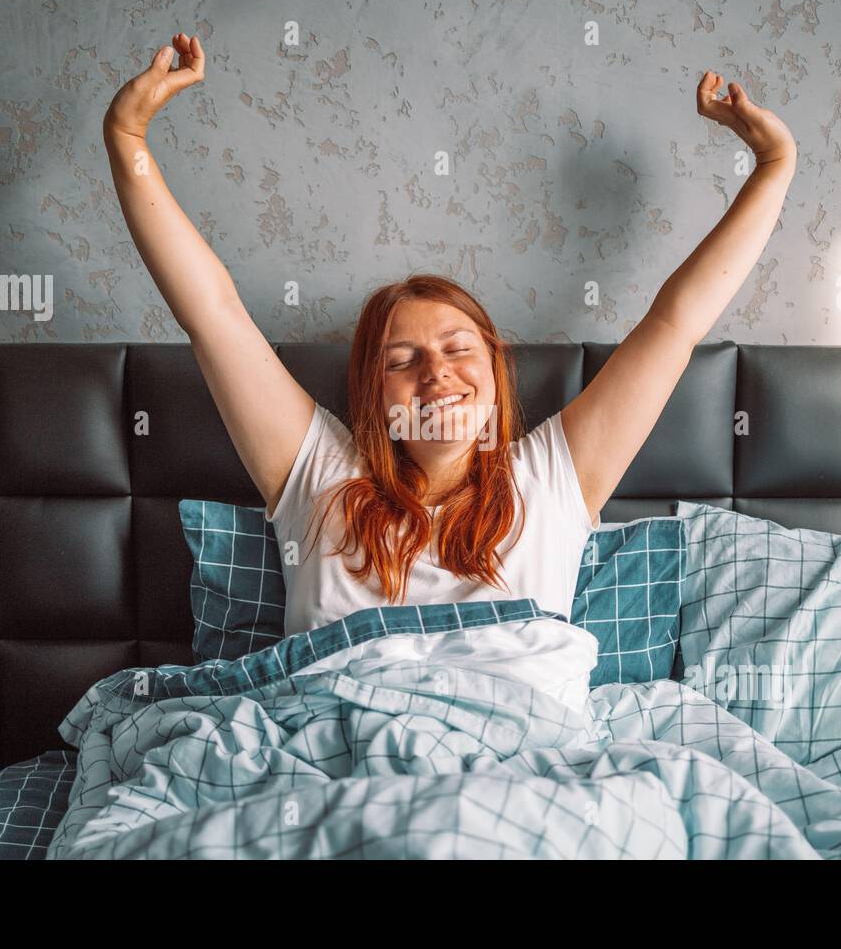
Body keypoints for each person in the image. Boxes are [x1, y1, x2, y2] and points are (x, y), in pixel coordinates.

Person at [103, 33, 796, 637]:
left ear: (495, 372)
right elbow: (213, 312)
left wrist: (773, 167)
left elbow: (674, 324)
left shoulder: (552, 477)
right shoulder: (319, 475)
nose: (437, 372)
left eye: (459, 350)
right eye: (403, 360)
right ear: (374, 396)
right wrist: (128, 141)